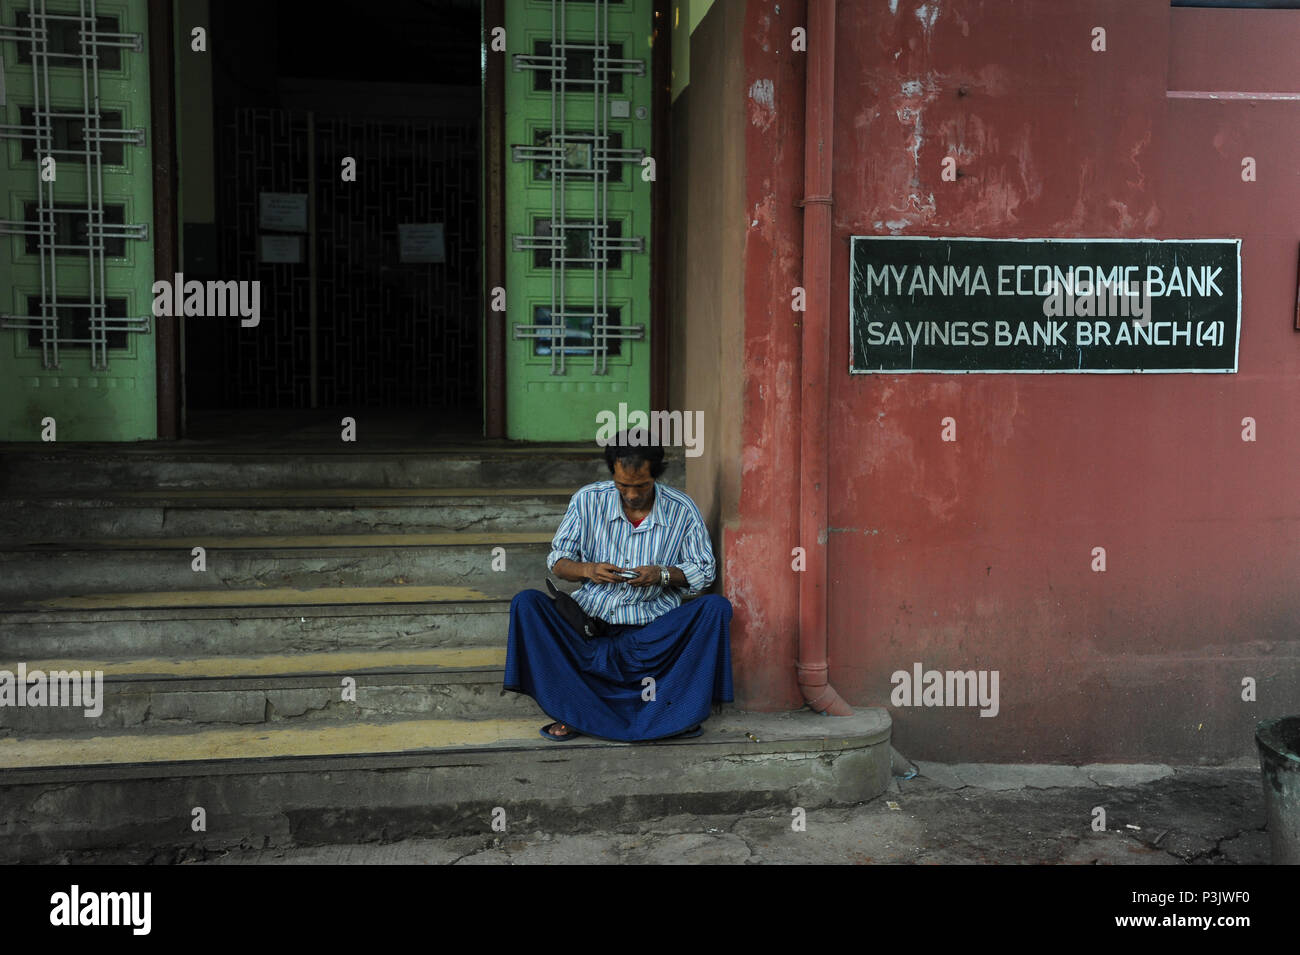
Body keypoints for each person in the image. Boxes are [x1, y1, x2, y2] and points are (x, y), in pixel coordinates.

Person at [503, 430, 734, 742]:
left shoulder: (682, 509)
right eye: (623, 485)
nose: (632, 494)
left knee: (714, 608)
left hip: (652, 636)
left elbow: (705, 572)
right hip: (589, 629)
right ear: (612, 473)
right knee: (527, 604)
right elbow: (558, 561)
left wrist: (662, 575)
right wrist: (588, 570)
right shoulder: (587, 500)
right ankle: (574, 711)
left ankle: (676, 713)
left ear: (657, 475)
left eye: (641, 486)